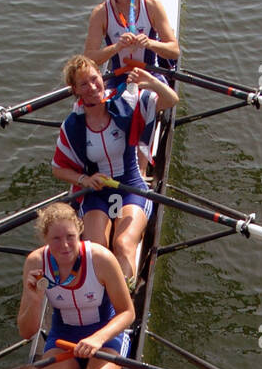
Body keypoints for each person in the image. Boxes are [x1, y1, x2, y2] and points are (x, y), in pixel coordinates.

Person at [52, 54, 178, 286]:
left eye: (94, 79)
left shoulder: (126, 102)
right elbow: (58, 169)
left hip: (131, 187)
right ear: (75, 90)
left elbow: (171, 100)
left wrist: (151, 81)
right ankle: (103, 298)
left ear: (102, 77)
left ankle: (123, 298)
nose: (92, 87)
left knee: (122, 244)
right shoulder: (72, 126)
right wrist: (84, 179)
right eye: (83, 84)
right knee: (97, 249)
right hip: (96, 193)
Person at [18, 202, 134, 369]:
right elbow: (27, 332)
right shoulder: (36, 264)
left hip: (106, 336)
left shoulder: (100, 258)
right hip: (63, 338)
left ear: (79, 231)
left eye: (70, 236)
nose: (65, 245)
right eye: (56, 239)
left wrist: (97, 339)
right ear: (45, 239)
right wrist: (34, 298)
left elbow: (128, 313)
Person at [83, 0, 180, 79]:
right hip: (119, 77)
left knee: (164, 98)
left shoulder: (152, 5)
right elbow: (89, 59)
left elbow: (174, 51)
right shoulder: (100, 14)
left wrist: (149, 43)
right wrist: (116, 47)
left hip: (150, 74)